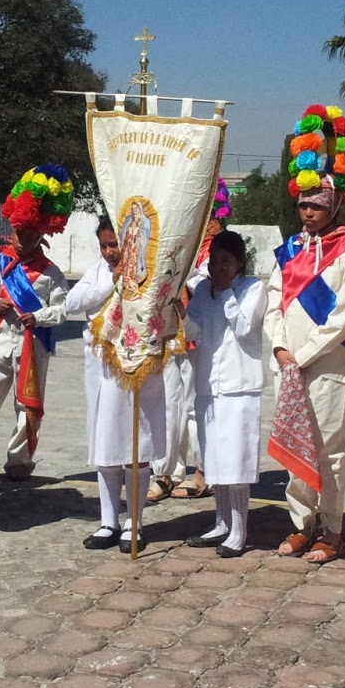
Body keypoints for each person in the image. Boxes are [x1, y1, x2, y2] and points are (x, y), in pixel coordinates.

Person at [265, 105, 345, 564]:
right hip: (288, 364)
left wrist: (303, 354)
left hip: (328, 367)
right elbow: (272, 303)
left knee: (329, 451)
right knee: (294, 446)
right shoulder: (288, 250)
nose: (308, 211)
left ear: (335, 205)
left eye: (317, 204)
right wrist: (281, 347)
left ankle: (331, 530)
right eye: (303, 203)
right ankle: (299, 525)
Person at [64, 216, 169, 550]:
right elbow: (71, 303)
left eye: (116, 245)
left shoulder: (147, 271)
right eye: (105, 246)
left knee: (136, 446)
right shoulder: (97, 272)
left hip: (137, 366)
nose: (110, 252)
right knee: (106, 446)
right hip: (102, 368)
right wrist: (111, 282)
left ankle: (134, 522)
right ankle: (107, 521)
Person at [184, 230, 266, 557]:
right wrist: (178, 311)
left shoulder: (253, 288)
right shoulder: (203, 289)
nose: (218, 267)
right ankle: (220, 522)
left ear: (239, 263)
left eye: (226, 261)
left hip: (239, 386)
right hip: (208, 384)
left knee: (236, 461)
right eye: (214, 261)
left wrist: (228, 291)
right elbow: (196, 331)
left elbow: (245, 328)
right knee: (214, 458)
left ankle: (240, 528)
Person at [0, 165, 73, 481]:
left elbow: (61, 310)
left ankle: (19, 461)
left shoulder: (51, 273)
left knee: (27, 405)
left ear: (42, 233)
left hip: (33, 343)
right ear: (13, 227)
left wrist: (37, 317)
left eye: (32, 233)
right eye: (20, 231)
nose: (25, 238)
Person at [151, 180, 231, 503]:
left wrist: (178, 283)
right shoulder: (183, 244)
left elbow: (203, 282)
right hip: (172, 332)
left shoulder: (217, 250)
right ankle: (167, 470)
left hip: (198, 333)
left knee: (194, 406)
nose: (207, 220)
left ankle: (204, 470)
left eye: (212, 214)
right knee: (169, 403)